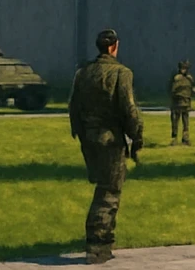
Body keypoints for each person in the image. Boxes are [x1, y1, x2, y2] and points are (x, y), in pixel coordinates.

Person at [68, 28, 144, 265]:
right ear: (114, 47)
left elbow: (73, 106)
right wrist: (137, 136)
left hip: (88, 139)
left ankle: (102, 240)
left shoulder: (83, 72)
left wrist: (80, 132)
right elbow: (128, 109)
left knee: (103, 186)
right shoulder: (121, 73)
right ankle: (98, 245)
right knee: (109, 192)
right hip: (110, 140)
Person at [169, 60, 195, 146]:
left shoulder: (189, 78)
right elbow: (171, 89)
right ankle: (174, 138)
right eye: (182, 68)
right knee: (175, 121)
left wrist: (193, 91)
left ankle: (185, 138)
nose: (183, 70)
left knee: (185, 122)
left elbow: (193, 87)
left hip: (186, 102)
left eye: (185, 68)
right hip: (177, 102)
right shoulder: (176, 78)